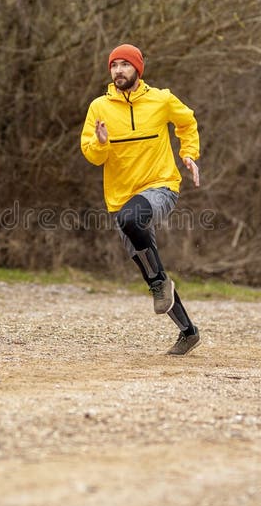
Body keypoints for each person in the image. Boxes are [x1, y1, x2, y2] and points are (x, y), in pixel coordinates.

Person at [81, 43, 201, 355]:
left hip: (161, 186)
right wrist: (103, 143)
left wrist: (188, 154)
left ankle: (161, 286)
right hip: (120, 197)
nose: (118, 70)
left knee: (131, 220)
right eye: (113, 65)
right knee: (151, 270)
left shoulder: (161, 99)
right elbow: (91, 154)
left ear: (138, 68)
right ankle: (188, 332)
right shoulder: (99, 108)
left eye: (124, 64)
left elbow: (187, 122)